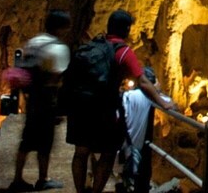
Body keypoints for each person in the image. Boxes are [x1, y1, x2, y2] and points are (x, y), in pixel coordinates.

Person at [66, 10, 175, 193]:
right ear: (126, 29)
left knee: (80, 153)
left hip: (80, 107)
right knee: (108, 153)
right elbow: (142, 81)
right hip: (102, 111)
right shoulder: (122, 51)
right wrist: (163, 103)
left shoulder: (95, 44)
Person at [9, 11, 73, 192]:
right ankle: (43, 178)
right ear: (62, 28)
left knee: (27, 140)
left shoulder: (35, 41)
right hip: (47, 98)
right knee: (46, 141)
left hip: (32, 98)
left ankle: (17, 179)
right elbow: (57, 76)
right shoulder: (59, 48)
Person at [119, 68, 168, 193]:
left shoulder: (127, 94)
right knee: (139, 172)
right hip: (137, 147)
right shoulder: (148, 98)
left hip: (123, 141)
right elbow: (171, 104)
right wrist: (157, 91)